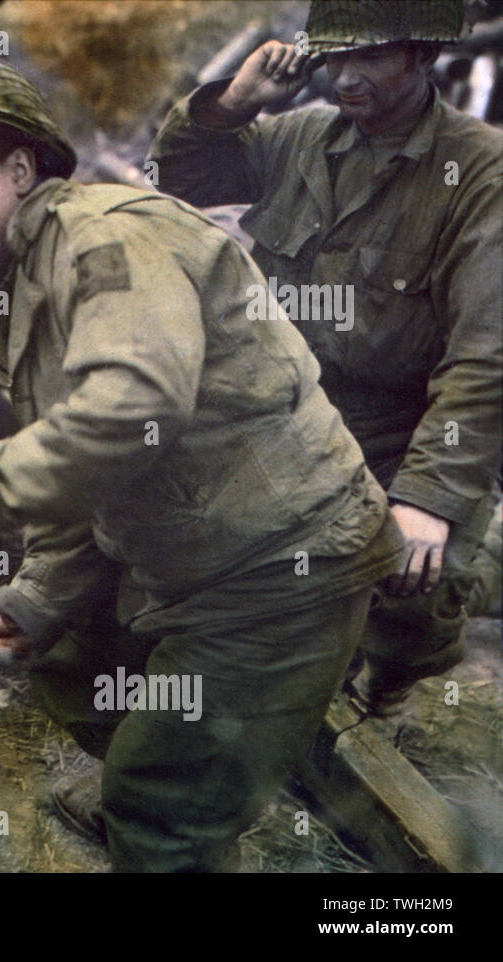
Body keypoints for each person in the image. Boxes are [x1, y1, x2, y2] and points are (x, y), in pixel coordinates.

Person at [0, 51, 405, 871]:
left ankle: (172, 803)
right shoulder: (18, 296)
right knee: (66, 657)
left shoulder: (103, 238)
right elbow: (94, 477)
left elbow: (135, 407)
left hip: (281, 569)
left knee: (157, 815)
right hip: (197, 556)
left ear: (19, 168)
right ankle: (191, 764)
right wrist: (37, 601)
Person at [147, 0, 502, 715]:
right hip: (286, 415)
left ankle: (398, 679)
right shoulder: (302, 137)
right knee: (192, 548)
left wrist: (427, 500)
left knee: (416, 587)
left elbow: (485, 357)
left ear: (422, 55)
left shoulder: (481, 173)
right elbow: (180, 177)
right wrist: (229, 106)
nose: (346, 76)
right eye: (336, 57)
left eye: (369, 57)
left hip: (404, 433)